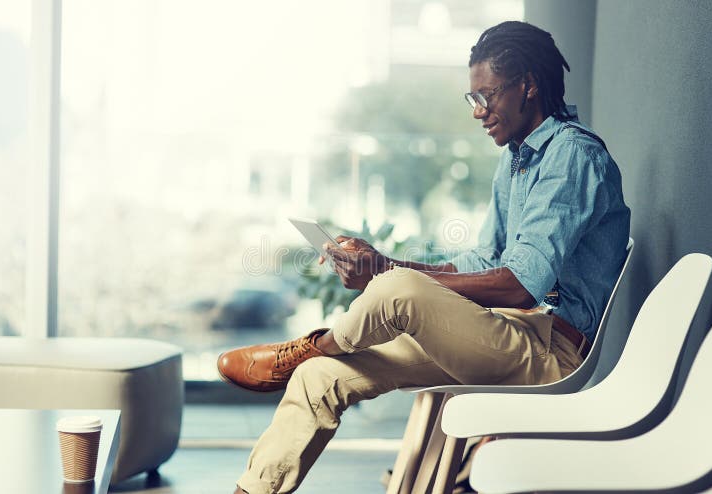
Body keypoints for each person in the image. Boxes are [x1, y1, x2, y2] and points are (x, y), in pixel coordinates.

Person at [218, 20, 631, 494]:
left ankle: (314, 343)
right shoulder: (517, 157)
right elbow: (482, 261)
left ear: (528, 86)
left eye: (487, 96)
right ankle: (261, 467)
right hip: (502, 334)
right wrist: (388, 266)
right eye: (472, 99)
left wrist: (391, 276)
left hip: (550, 354)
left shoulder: (573, 157)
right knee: (319, 378)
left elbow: (520, 285)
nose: (479, 112)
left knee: (396, 289)